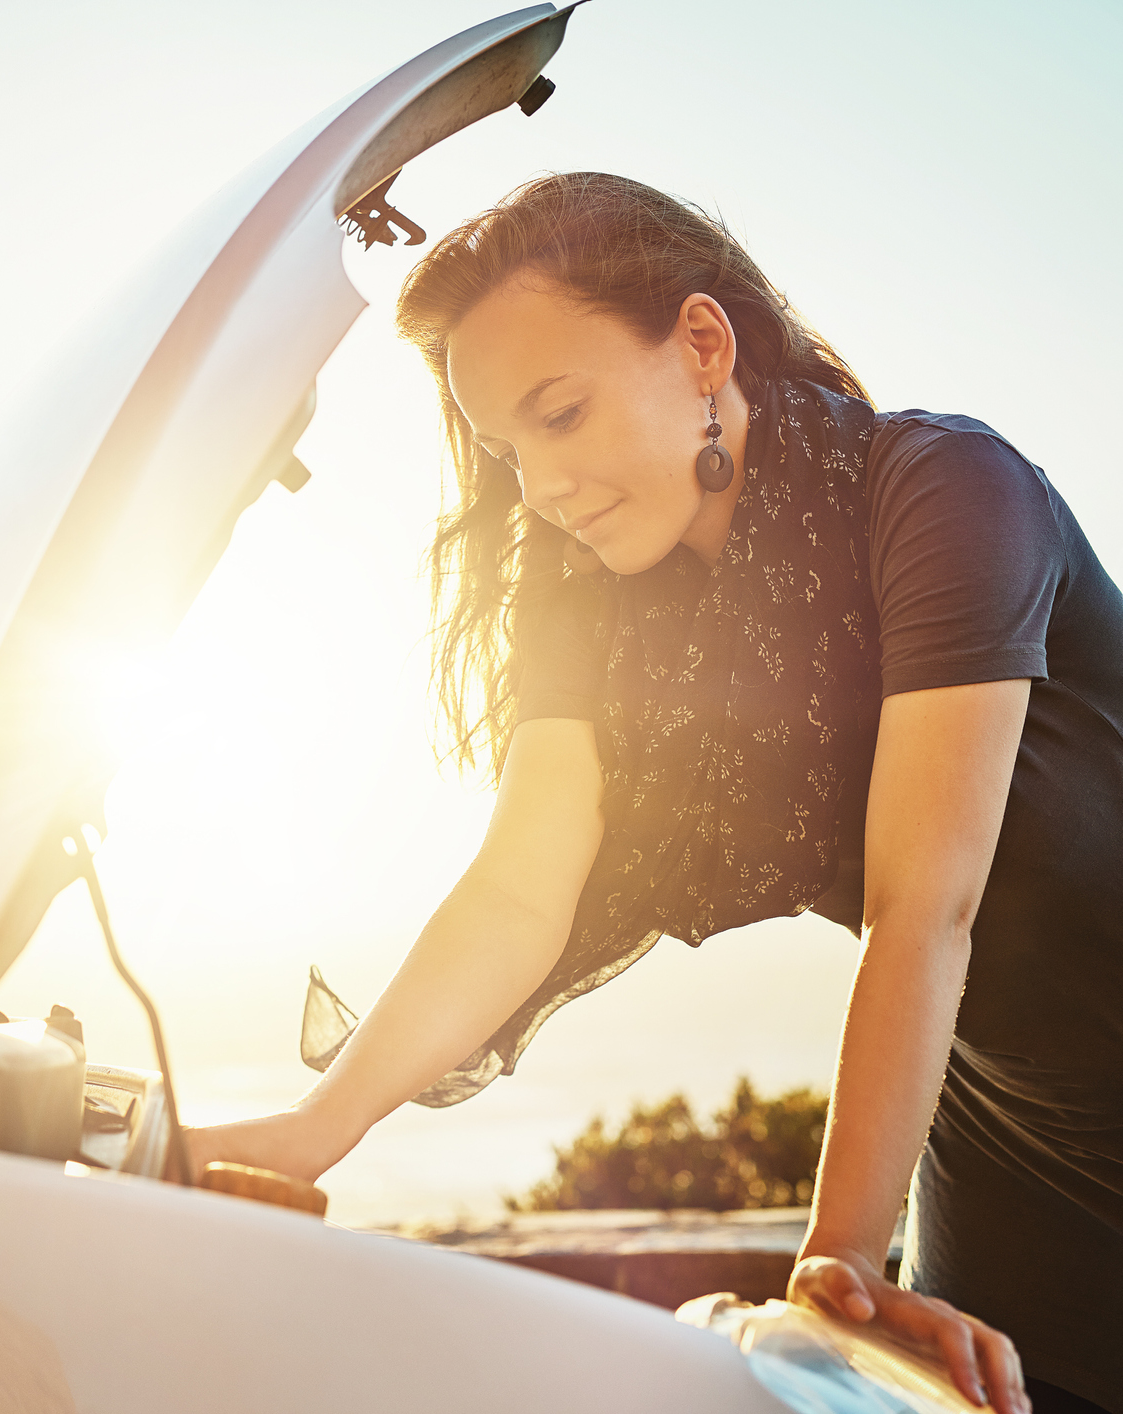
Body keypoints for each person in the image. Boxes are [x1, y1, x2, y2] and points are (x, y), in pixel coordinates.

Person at [184, 173, 1122, 1414]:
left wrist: (833, 1256)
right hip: (1008, 1157)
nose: (538, 485)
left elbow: (924, 904)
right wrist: (314, 1128)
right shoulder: (583, 604)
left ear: (698, 345)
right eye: (507, 448)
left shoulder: (945, 489)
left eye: (559, 412)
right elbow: (520, 888)